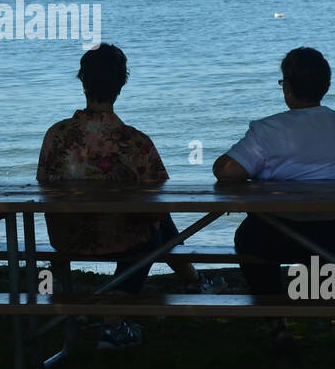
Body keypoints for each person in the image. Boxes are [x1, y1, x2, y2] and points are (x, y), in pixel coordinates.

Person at [37, 43, 215, 349]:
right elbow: (161, 202)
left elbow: (43, 183)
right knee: (153, 230)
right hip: (122, 240)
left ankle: (193, 281)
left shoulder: (56, 135)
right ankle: (114, 323)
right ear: (122, 84)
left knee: (151, 224)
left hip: (66, 237)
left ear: (82, 81)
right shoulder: (135, 142)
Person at [212, 46, 335, 352]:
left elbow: (226, 171)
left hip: (282, 236)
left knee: (249, 239)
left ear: (288, 88)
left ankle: (277, 323)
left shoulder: (268, 130)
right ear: (325, 86)